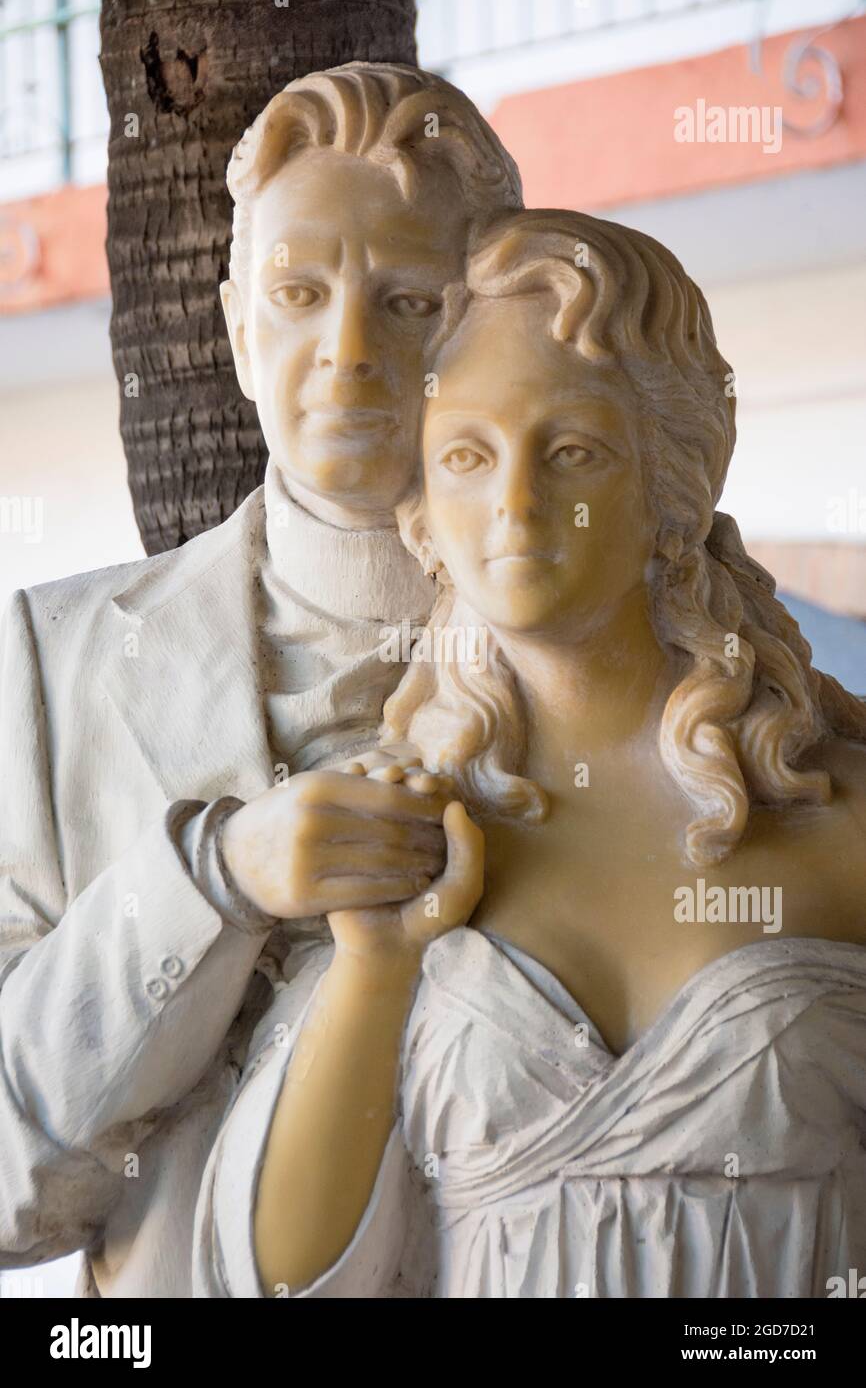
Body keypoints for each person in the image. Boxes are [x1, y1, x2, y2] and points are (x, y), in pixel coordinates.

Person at [195, 209, 866, 1299]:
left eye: (571, 451)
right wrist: (375, 963)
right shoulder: (406, 828)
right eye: (465, 455)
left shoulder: (836, 813)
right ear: (418, 507)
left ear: (669, 485)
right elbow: (281, 1277)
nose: (513, 504)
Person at [0, 63, 521, 1298]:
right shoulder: (52, 661)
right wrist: (215, 882)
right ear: (238, 329)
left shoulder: (616, 661)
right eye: (297, 294)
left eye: (407, 302)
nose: (344, 354)